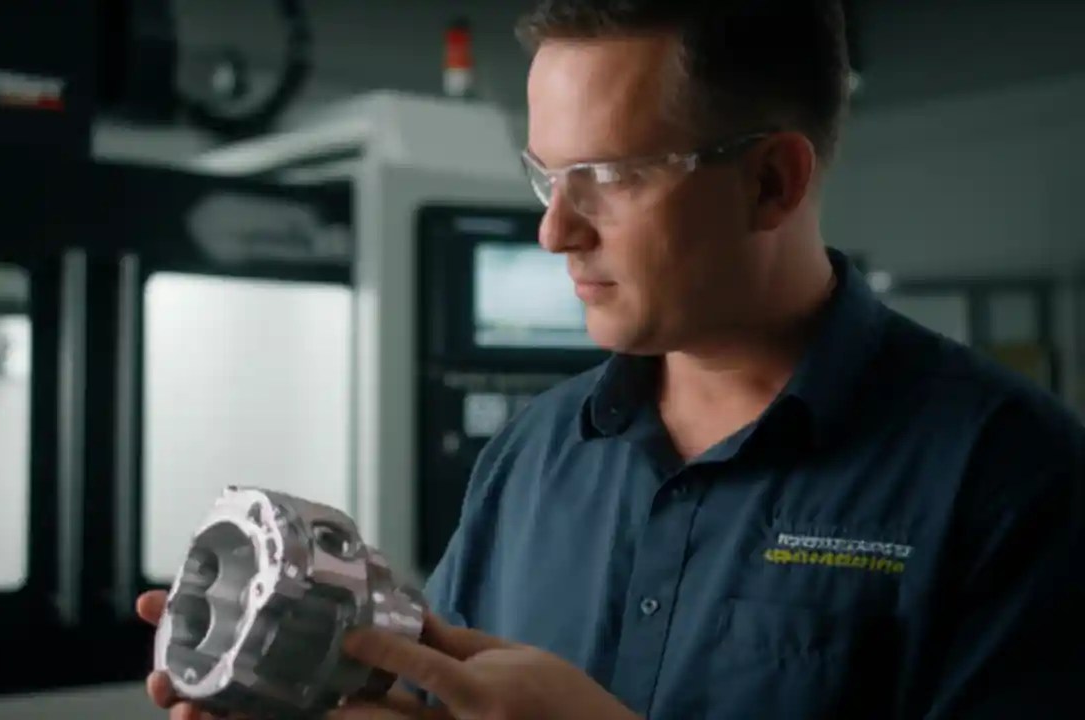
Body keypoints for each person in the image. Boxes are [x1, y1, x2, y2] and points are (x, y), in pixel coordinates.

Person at [140, 0, 1085, 718]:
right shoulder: (533, 455)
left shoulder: (1010, 479)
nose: (555, 230)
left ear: (771, 181)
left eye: (608, 178)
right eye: (548, 176)